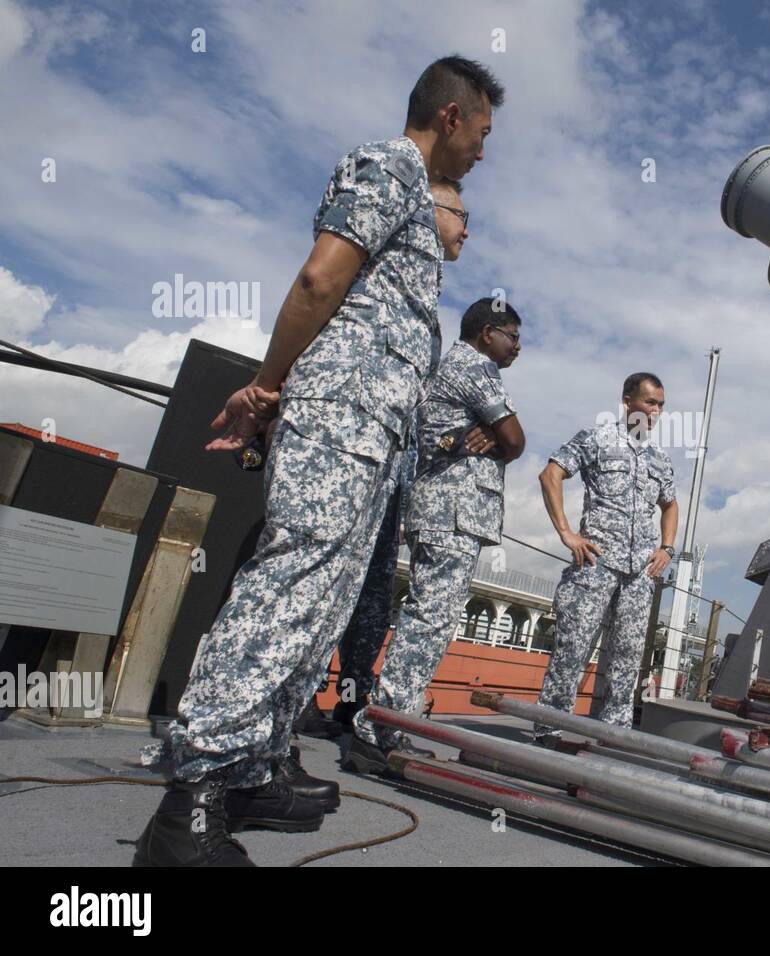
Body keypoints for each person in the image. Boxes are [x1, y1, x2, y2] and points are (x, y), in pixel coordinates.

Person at [134, 57, 504, 867]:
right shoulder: (388, 166)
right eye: (482, 133)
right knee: (290, 585)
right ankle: (191, 796)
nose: (483, 151)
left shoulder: (411, 192)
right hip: (341, 414)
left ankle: (256, 766)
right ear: (450, 116)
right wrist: (264, 389)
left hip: (373, 430)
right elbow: (318, 280)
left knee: (326, 603)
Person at [301, 178, 472, 737]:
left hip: (395, 478)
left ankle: (350, 703)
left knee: (372, 598)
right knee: (325, 579)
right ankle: (292, 702)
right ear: (432, 210)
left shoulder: (428, 310)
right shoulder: (374, 269)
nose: (467, 230)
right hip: (350, 449)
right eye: (461, 216)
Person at [347, 297, 524, 770]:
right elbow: (516, 440)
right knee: (430, 619)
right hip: (453, 510)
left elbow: (499, 437)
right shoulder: (476, 367)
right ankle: (381, 727)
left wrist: (489, 431)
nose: (518, 347)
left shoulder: (452, 367)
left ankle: (386, 722)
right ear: (487, 332)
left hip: (443, 509)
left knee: (430, 616)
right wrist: (494, 431)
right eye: (512, 336)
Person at [532, 374, 679, 744]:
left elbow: (670, 503)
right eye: (649, 402)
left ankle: (614, 739)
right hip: (595, 565)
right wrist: (567, 533)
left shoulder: (659, 459)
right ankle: (547, 730)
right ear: (627, 401)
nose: (656, 411)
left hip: (638, 574)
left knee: (626, 659)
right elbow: (551, 474)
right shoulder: (596, 439)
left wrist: (667, 547)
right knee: (572, 649)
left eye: (660, 404)